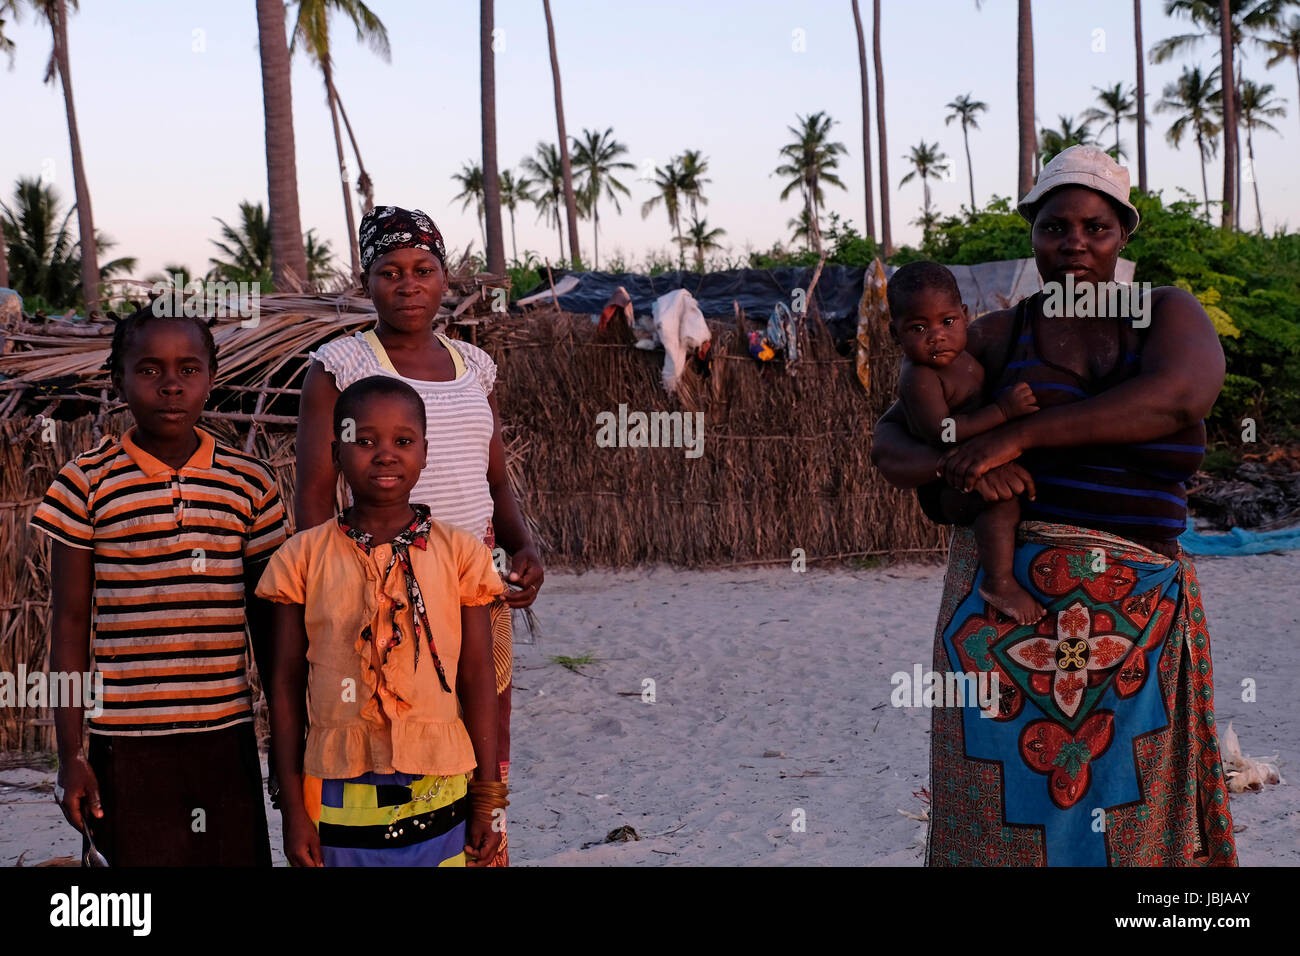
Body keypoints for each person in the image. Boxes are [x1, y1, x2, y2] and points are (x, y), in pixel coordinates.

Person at [872, 145, 1237, 866]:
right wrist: (962, 462)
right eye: (1055, 227)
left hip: (1136, 619)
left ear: (1124, 232)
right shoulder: (1002, 335)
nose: (1075, 242)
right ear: (1032, 233)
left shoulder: (1166, 313)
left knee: (1130, 818)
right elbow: (890, 442)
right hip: (1006, 616)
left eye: (1095, 227)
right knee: (1005, 827)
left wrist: (1019, 436)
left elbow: (1179, 397)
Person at [295, 205, 540, 865]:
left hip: (477, 585)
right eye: (390, 271)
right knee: (395, 723)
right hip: (383, 587)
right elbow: (316, 494)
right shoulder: (340, 365)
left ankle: (485, 843)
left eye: (423, 270)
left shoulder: (474, 367)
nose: (408, 284)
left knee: (488, 718)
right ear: (365, 283)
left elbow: (495, 481)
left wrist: (523, 546)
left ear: (443, 280)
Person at [33, 305, 287, 866]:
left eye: (188, 369)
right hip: (124, 742)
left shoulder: (250, 484)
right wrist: (71, 753)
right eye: (148, 370)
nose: (171, 385)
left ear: (212, 376)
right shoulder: (85, 484)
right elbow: (70, 622)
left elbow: (268, 624)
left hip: (226, 734)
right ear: (117, 379)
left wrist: (287, 746)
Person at [259, 376, 506, 867]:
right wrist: (292, 810)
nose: (385, 454)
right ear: (336, 453)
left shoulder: (461, 555)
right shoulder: (300, 559)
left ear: (425, 452)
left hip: (442, 783)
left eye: (403, 441)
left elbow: (479, 678)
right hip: (335, 786)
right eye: (364, 441)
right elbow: (284, 688)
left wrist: (487, 798)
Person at [888, 260, 1042, 624]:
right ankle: (999, 581)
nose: (936, 335)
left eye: (947, 322)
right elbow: (940, 432)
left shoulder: (968, 356)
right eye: (918, 327)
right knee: (999, 504)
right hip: (945, 486)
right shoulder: (920, 376)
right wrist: (1002, 412)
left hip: (971, 464)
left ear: (966, 316)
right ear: (896, 335)